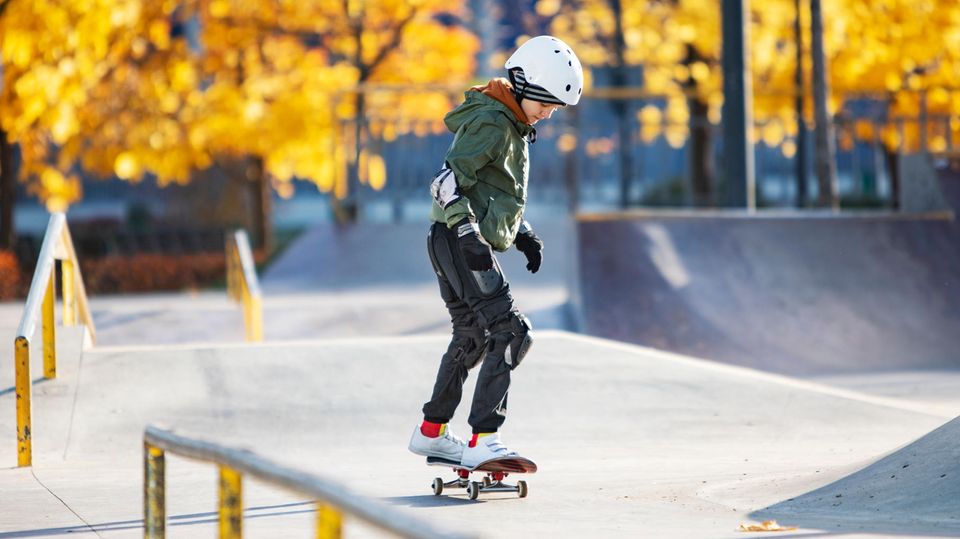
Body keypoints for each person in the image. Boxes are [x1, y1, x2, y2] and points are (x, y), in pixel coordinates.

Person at [408, 35, 584, 468]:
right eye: (545, 102)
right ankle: (485, 437)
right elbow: (446, 181)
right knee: (511, 331)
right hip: (457, 239)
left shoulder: (509, 122)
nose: (548, 113)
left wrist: (521, 232)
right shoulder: (493, 122)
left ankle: (432, 433)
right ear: (523, 85)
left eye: (555, 108)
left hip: (448, 237)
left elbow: (489, 189)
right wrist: (469, 236)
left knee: (471, 336)